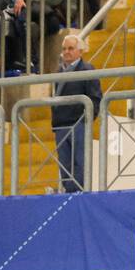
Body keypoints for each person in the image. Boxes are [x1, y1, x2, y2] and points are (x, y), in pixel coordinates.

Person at [50, 33, 100, 194]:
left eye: (71, 48)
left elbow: (95, 97)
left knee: (80, 163)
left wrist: (86, 120)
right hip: (61, 125)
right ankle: (70, 193)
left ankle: (79, 194)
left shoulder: (87, 70)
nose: (66, 52)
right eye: (64, 49)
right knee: (64, 165)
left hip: (78, 124)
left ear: (80, 51)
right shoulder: (58, 73)